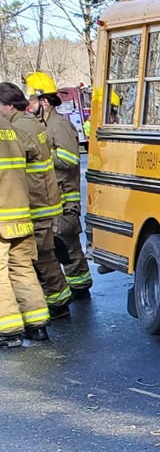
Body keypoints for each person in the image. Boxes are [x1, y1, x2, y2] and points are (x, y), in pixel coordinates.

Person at [0, 84, 60, 339]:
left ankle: (8, 330)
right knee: (22, 267)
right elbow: (34, 151)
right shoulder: (11, 128)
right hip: (21, 214)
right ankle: (38, 326)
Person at [26, 72, 92, 299]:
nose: (29, 106)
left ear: (44, 101)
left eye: (32, 101)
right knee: (56, 245)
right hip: (51, 196)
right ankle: (71, 287)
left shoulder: (59, 126)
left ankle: (80, 288)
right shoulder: (43, 125)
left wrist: (41, 154)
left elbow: (70, 159)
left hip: (66, 196)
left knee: (68, 242)